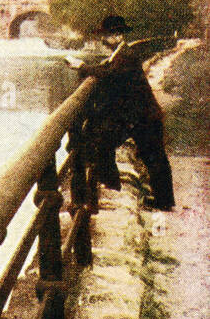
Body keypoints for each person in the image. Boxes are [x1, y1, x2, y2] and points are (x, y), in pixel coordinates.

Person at [66, 15, 176, 211]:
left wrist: (82, 66)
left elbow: (110, 76)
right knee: (151, 156)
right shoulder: (121, 53)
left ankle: (163, 201)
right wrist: (96, 67)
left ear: (116, 36)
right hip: (138, 116)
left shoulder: (126, 55)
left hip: (143, 117)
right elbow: (109, 69)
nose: (103, 40)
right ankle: (159, 198)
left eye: (106, 36)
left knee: (153, 157)